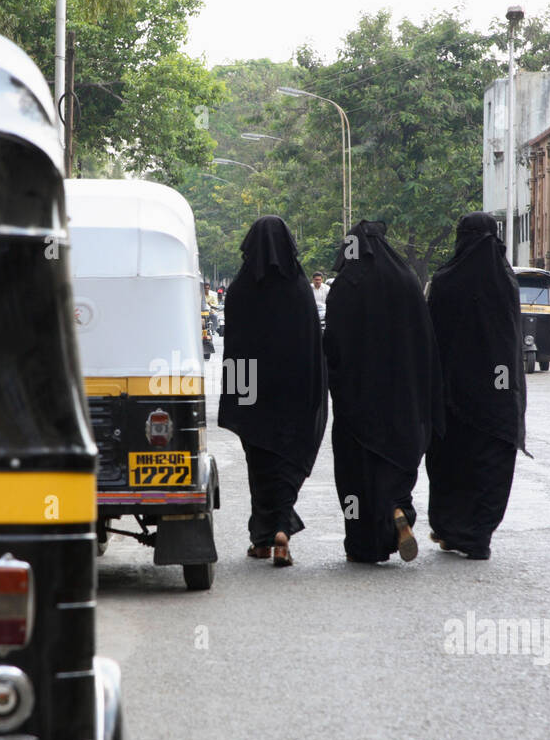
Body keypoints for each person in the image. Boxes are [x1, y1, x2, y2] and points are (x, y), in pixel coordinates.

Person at [324, 220, 444, 564]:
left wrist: (338, 384)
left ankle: (364, 544)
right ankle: (397, 507)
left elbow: (333, 344)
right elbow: (426, 342)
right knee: (394, 465)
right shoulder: (406, 279)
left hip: (359, 402)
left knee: (358, 472)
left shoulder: (346, 285)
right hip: (404, 401)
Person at [218, 216, 327, 568]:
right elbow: (313, 347)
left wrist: (235, 402)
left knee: (261, 464)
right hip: (293, 393)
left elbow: (232, 349)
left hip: (252, 394)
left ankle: (264, 539)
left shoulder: (239, 290)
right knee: (287, 461)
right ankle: (279, 532)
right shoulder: (298, 289)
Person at [425, 211, 528, 561]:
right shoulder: (505, 281)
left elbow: (432, 338)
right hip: (497, 397)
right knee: (491, 466)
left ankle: (451, 528)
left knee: (451, 463)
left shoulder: (444, 281)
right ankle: (478, 534)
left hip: (452, 396)